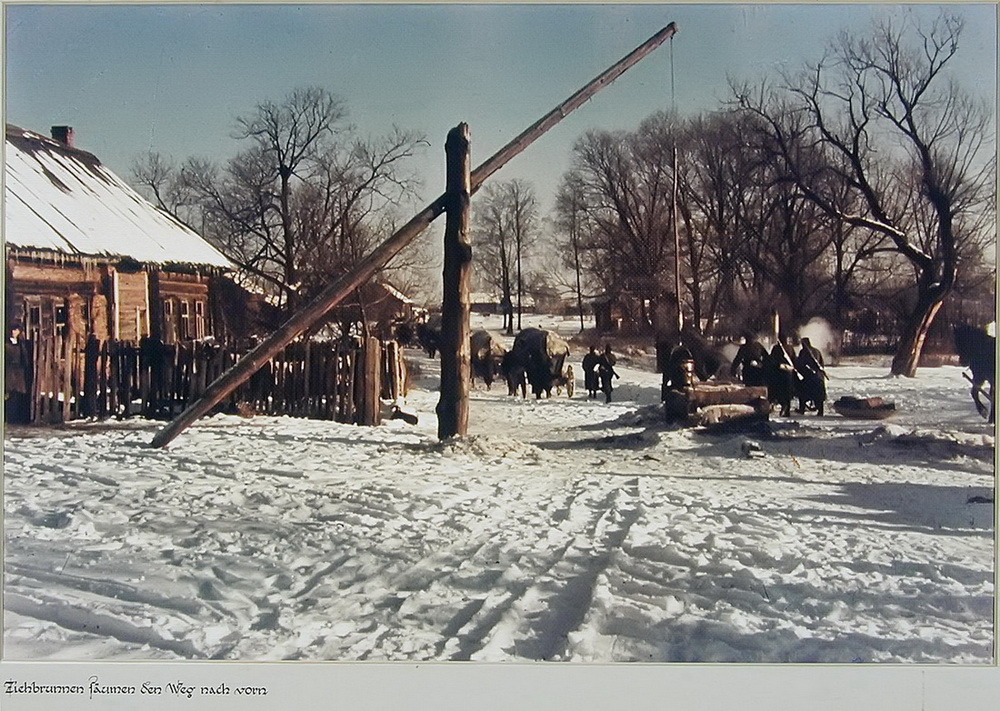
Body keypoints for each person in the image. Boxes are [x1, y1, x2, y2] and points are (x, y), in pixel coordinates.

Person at [5, 321, 32, 424]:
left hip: (20, 373)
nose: (13, 332)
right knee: (10, 395)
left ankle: (19, 418)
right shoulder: (6, 344)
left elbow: (25, 359)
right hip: (10, 371)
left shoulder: (22, 344)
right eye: (12, 330)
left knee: (20, 395)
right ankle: (10, 418)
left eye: (16, 330)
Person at [795, 337, 827, 416]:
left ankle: (802, 409)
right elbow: (821, 364)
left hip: (808, 378)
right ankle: (820, 411)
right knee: (818, 395)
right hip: (818, 377)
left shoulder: (803, 352)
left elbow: (800, 364)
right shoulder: (816, 351)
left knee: (802, 393)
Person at [765, 342, 797, 417]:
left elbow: (772, 360)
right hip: (789, 374)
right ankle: (787, 410)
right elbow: (794, 359)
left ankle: (782, 406)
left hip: (778, 373)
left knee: (779, 392)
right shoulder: (790, 348)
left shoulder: (776, 348)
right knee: (787, 392)